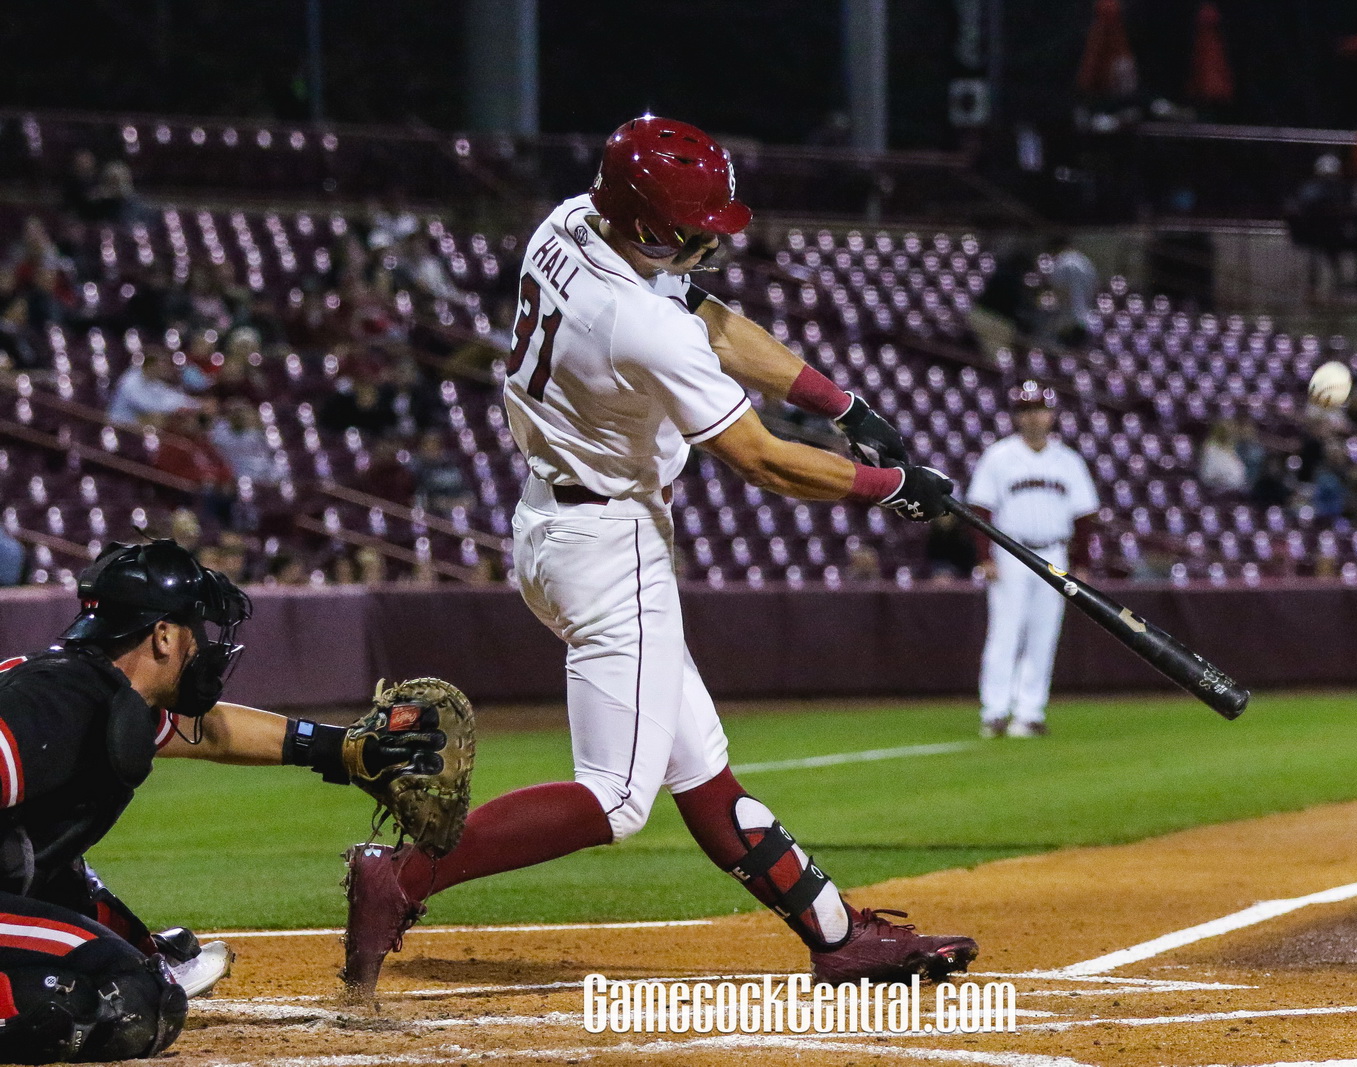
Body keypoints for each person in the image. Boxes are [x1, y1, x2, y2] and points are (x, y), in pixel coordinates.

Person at [339, 114, 975, 999]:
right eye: (692, 228)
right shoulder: (638, 324)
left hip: (553, 523)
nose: (708, 240)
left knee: (701, 767)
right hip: (612, 544)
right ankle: (402, 876)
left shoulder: (571, 220)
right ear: (647, 225)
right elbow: (761, 459)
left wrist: (844, 406)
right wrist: (890, 486)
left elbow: (712, 320)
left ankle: (836, 935)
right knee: (616, 797)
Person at [0, 540, 449, 1062]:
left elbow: (211, 732)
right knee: (128, 999)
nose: (205, 647)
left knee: (126, 943)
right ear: (163, 635)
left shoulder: (104, 692)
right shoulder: (58, 704)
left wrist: (345, 749)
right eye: (198, 629)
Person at [966, 382, 1100, 739]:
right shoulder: (998, 456)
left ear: (1051, 415)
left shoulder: (1068, 460)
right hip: (1011, 551)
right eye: (1026, 410)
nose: (1033, 417)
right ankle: (995, 711)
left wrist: (1082, 561)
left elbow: (1084, 515)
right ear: (1016, 416)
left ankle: (1029, 712)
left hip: (1054, 552)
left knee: (1044, 634)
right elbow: (980, 508)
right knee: (1005, 633)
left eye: (1039, 409)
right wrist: (985, 556)